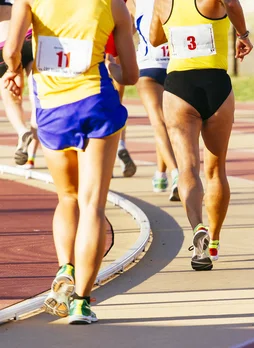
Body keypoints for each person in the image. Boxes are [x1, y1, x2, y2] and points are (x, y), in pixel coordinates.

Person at [3, 0, 138, 324]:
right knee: (93, 206)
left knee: (68, 197)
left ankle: (65, 267)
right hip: (97, 104)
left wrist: (14, 72)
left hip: (53, 111)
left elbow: (11, 50)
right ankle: (80, 302)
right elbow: (131, 75)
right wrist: (109, 65)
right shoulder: (115, 5)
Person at [150, 0, 252, 270]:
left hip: (179, 86)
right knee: (216, 170)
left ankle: (198, 227)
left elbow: (154, 37)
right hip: (215, 83)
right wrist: (243, 35)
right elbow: (231, 3)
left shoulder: (163, 2)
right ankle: (214, 241)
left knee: (188, 168)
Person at [130, 0, 179, 200]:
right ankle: (177, 173)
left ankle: (161, 172)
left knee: (165, 123)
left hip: (174, 67)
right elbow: (124, 28)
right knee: (160, 121)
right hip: (150, 68)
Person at [0, 0, 39, 167]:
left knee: (10, 97)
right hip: (31, 36)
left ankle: (22, 131)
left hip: (5, 43)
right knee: (36, 96)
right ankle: (30, 155)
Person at [105, 2, 137, 178]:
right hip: (116, 44)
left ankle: (107, 162)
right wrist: (123, 33)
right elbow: (135, 18)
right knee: (116, 103)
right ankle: (120, 145)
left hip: (97, 43)